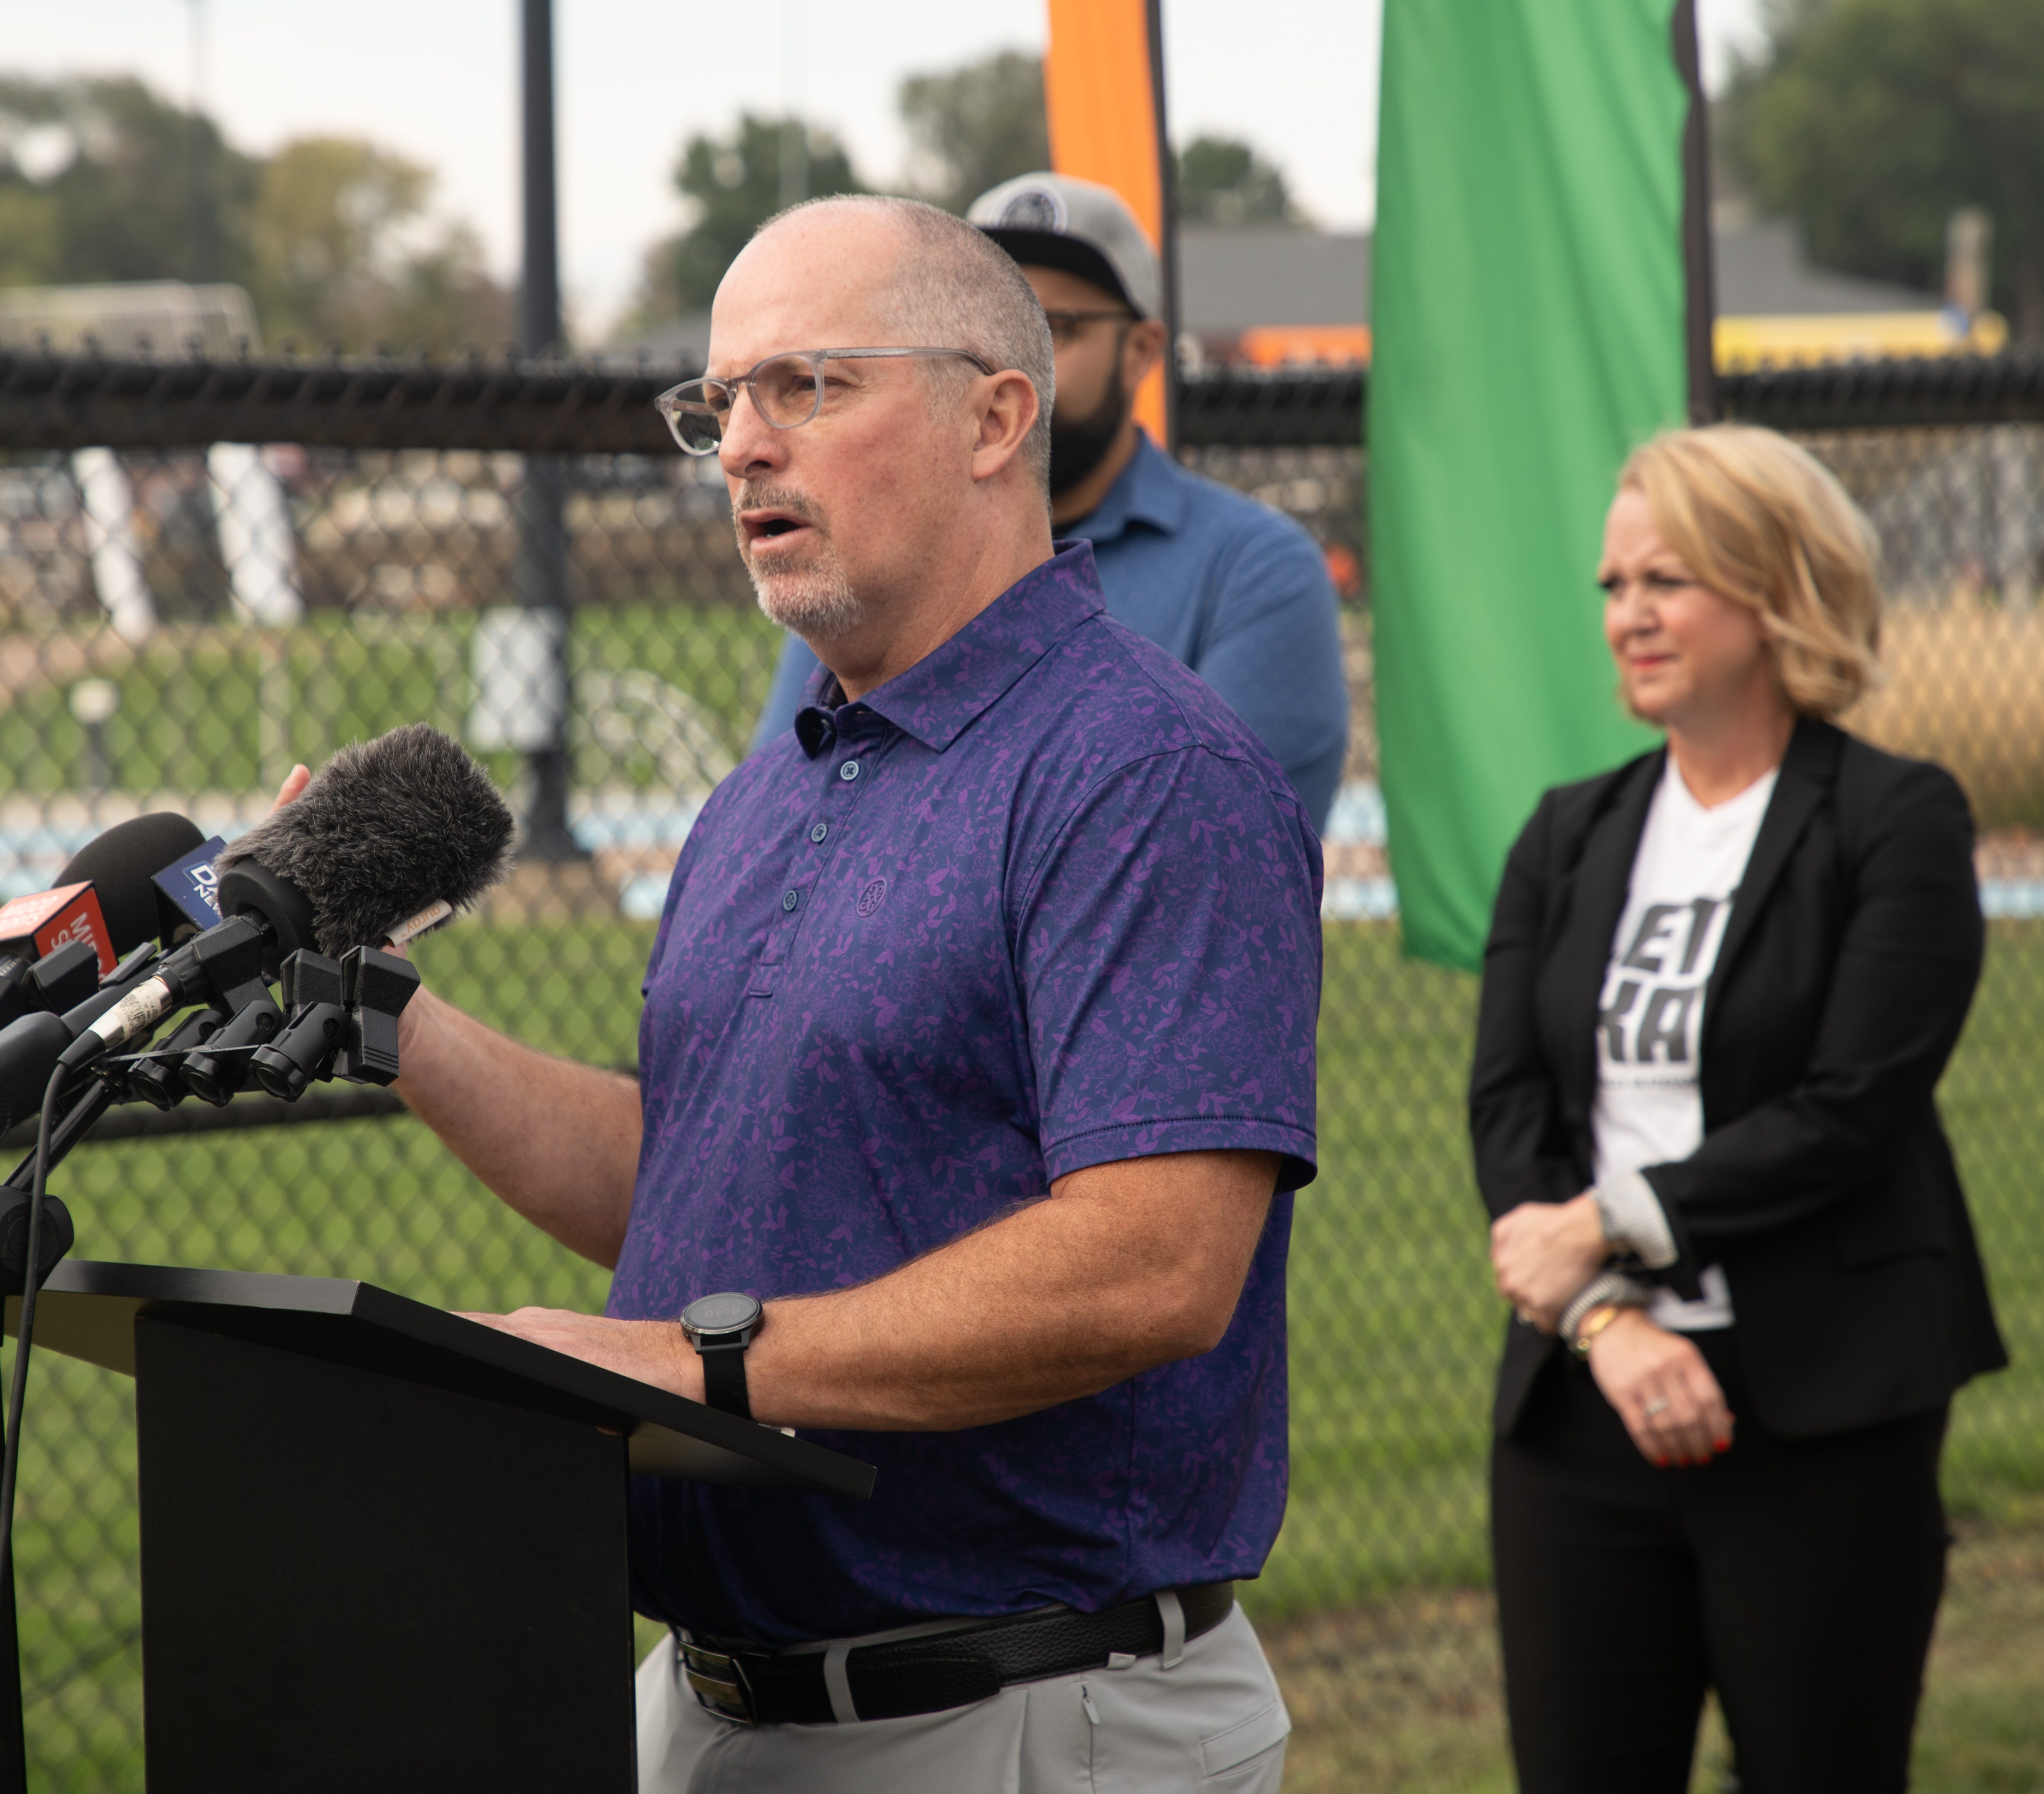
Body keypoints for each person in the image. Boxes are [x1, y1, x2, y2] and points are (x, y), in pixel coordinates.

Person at [375, 195, 1321, 1791]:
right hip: (708, 1703)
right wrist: (394, 1022)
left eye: (807, 386)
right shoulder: (769, 786)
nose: (743, 446)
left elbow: (1156, 1263)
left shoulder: (1142, 770)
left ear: (994, 418)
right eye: (720, 402)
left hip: (1015, 1711)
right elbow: (700, 1185)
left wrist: (681, 1360)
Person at [1470, 424, 2005, 1793]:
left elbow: (1852, 1109)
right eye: (1609, 585)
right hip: (1586, 1411)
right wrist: (1602, 1317)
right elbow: (1510, 1108)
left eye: (1667, 578)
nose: (1627, 615)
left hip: (1819, 1412)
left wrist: (1601, 1222)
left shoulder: (1893, 819)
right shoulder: (1564, 833)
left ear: (1776, 590)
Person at [747, 171, 1350, 834]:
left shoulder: (1252, 570)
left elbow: (1191, 860)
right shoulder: (875, 554)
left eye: (1052, 328)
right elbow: (781, 829)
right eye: (986, 334)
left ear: (1141, 351)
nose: (1018, 360)